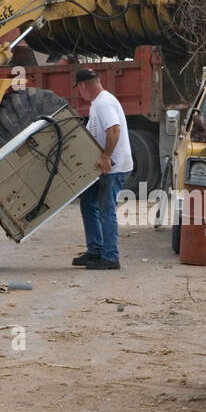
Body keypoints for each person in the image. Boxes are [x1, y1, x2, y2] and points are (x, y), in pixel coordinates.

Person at [71, 68, 133, 270]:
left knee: (106, 210)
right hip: (103, 166)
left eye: (79, 89)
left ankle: (110, 257)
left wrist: (106, 156)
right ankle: (95, 250)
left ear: (83, 86)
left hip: (112, 167)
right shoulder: (97, 103)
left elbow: (114, 129)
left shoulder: (104, 102)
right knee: (88, 203)